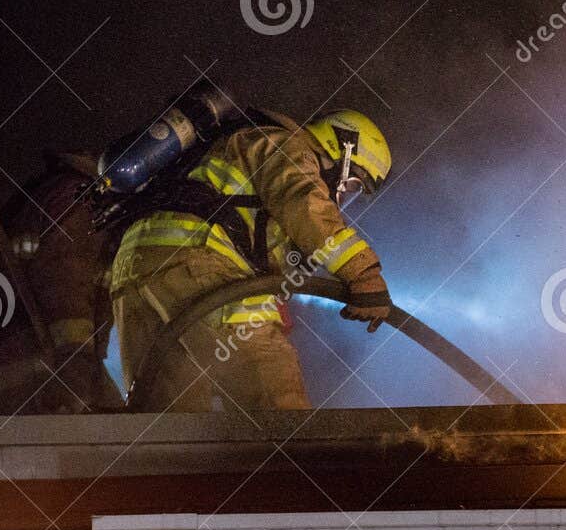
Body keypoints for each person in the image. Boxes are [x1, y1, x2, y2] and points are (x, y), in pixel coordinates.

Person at [108, 109, 393, 413]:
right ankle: (293, 461)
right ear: (343, 148)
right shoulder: (285, 145)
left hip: (133, 270)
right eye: (350, 184)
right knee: (276, 394)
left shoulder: (236, 142)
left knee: (170, 425)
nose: (342, 194)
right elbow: (304, 203)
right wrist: (363, 273)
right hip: (198, 261)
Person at [0, 152, 123, 415]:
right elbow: (66, 284)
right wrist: (75, 369)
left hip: (11, 384)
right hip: (47, 381)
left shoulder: (40, 196)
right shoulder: (79, 200)